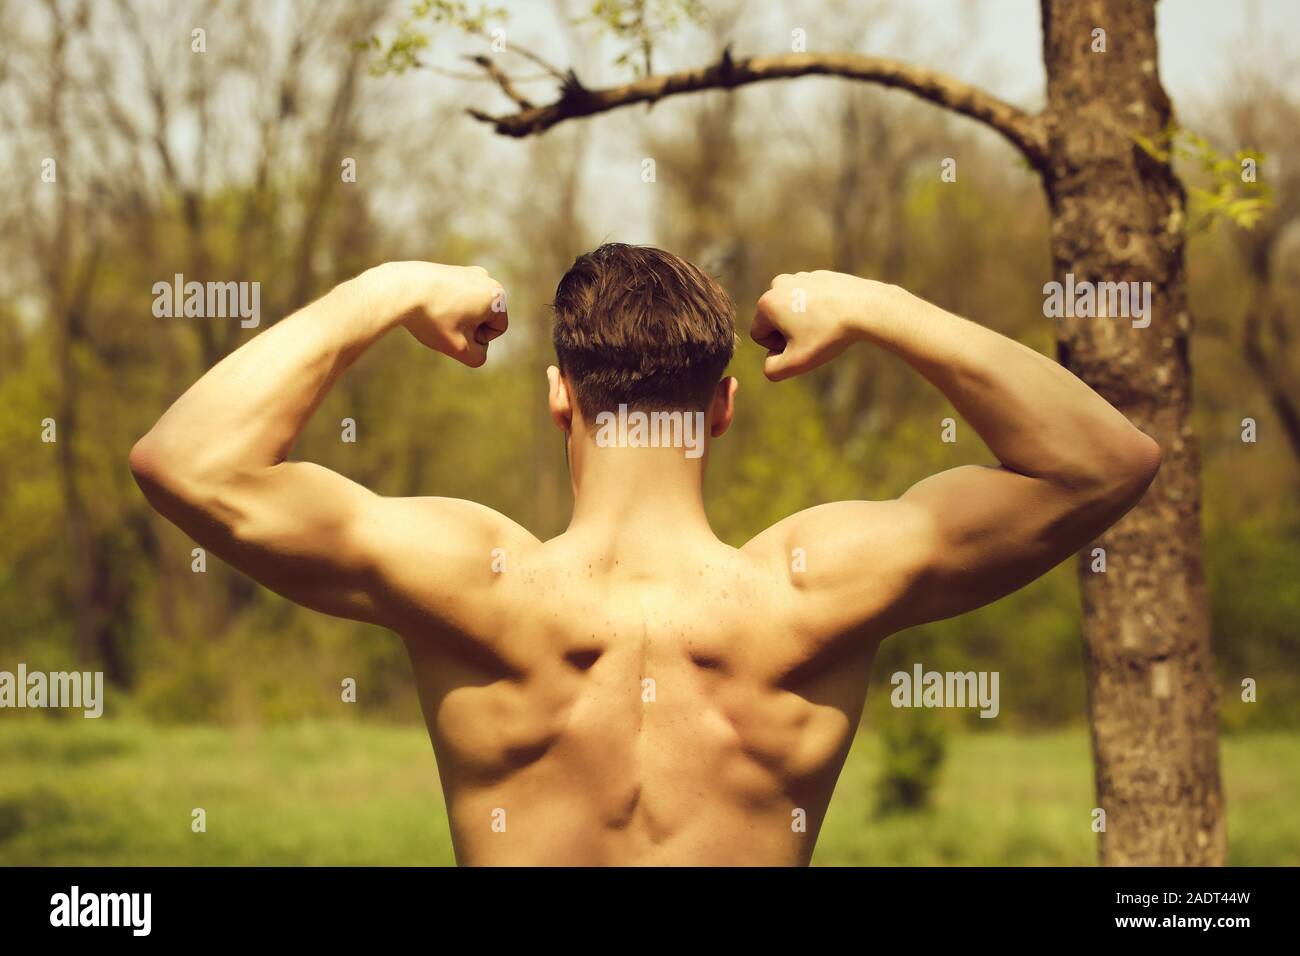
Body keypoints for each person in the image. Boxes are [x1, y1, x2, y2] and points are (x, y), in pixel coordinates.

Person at [129, 243, 1160, 865]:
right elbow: (1103, 462)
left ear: (557, 394)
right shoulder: (809, 591)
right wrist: (873, 305)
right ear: (722, 406)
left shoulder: (477, 585)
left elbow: (185, 460)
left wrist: (386, 289)